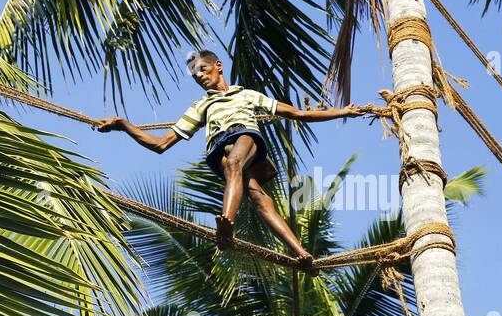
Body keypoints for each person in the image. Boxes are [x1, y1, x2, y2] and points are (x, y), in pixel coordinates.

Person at [94, 50, 366, 268]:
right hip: (217, 150)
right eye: (195, 76)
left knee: (236, 162)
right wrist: (123, 124)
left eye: (203, 69)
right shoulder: (200, 106)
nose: (200, 77)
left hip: (245, 137)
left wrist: (342, 112)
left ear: (218, 66)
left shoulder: (247, 95)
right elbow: (161, 144)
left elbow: (299, 114)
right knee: (258, 197)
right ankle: (301, 254)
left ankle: (226, 226)